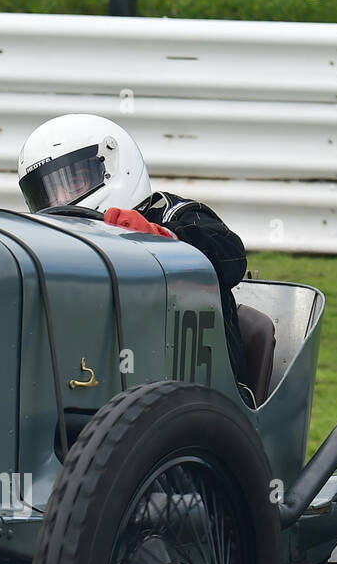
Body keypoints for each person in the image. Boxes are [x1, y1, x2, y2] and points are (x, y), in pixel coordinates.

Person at [16, 114, 264, 402]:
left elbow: (230, 258)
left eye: (72, 183)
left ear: (112, 162)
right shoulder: (59, 250)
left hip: (208, 398)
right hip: (102, 392)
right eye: (47, 192)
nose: (60, 199)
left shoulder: (173, 213)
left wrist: (155, 236)